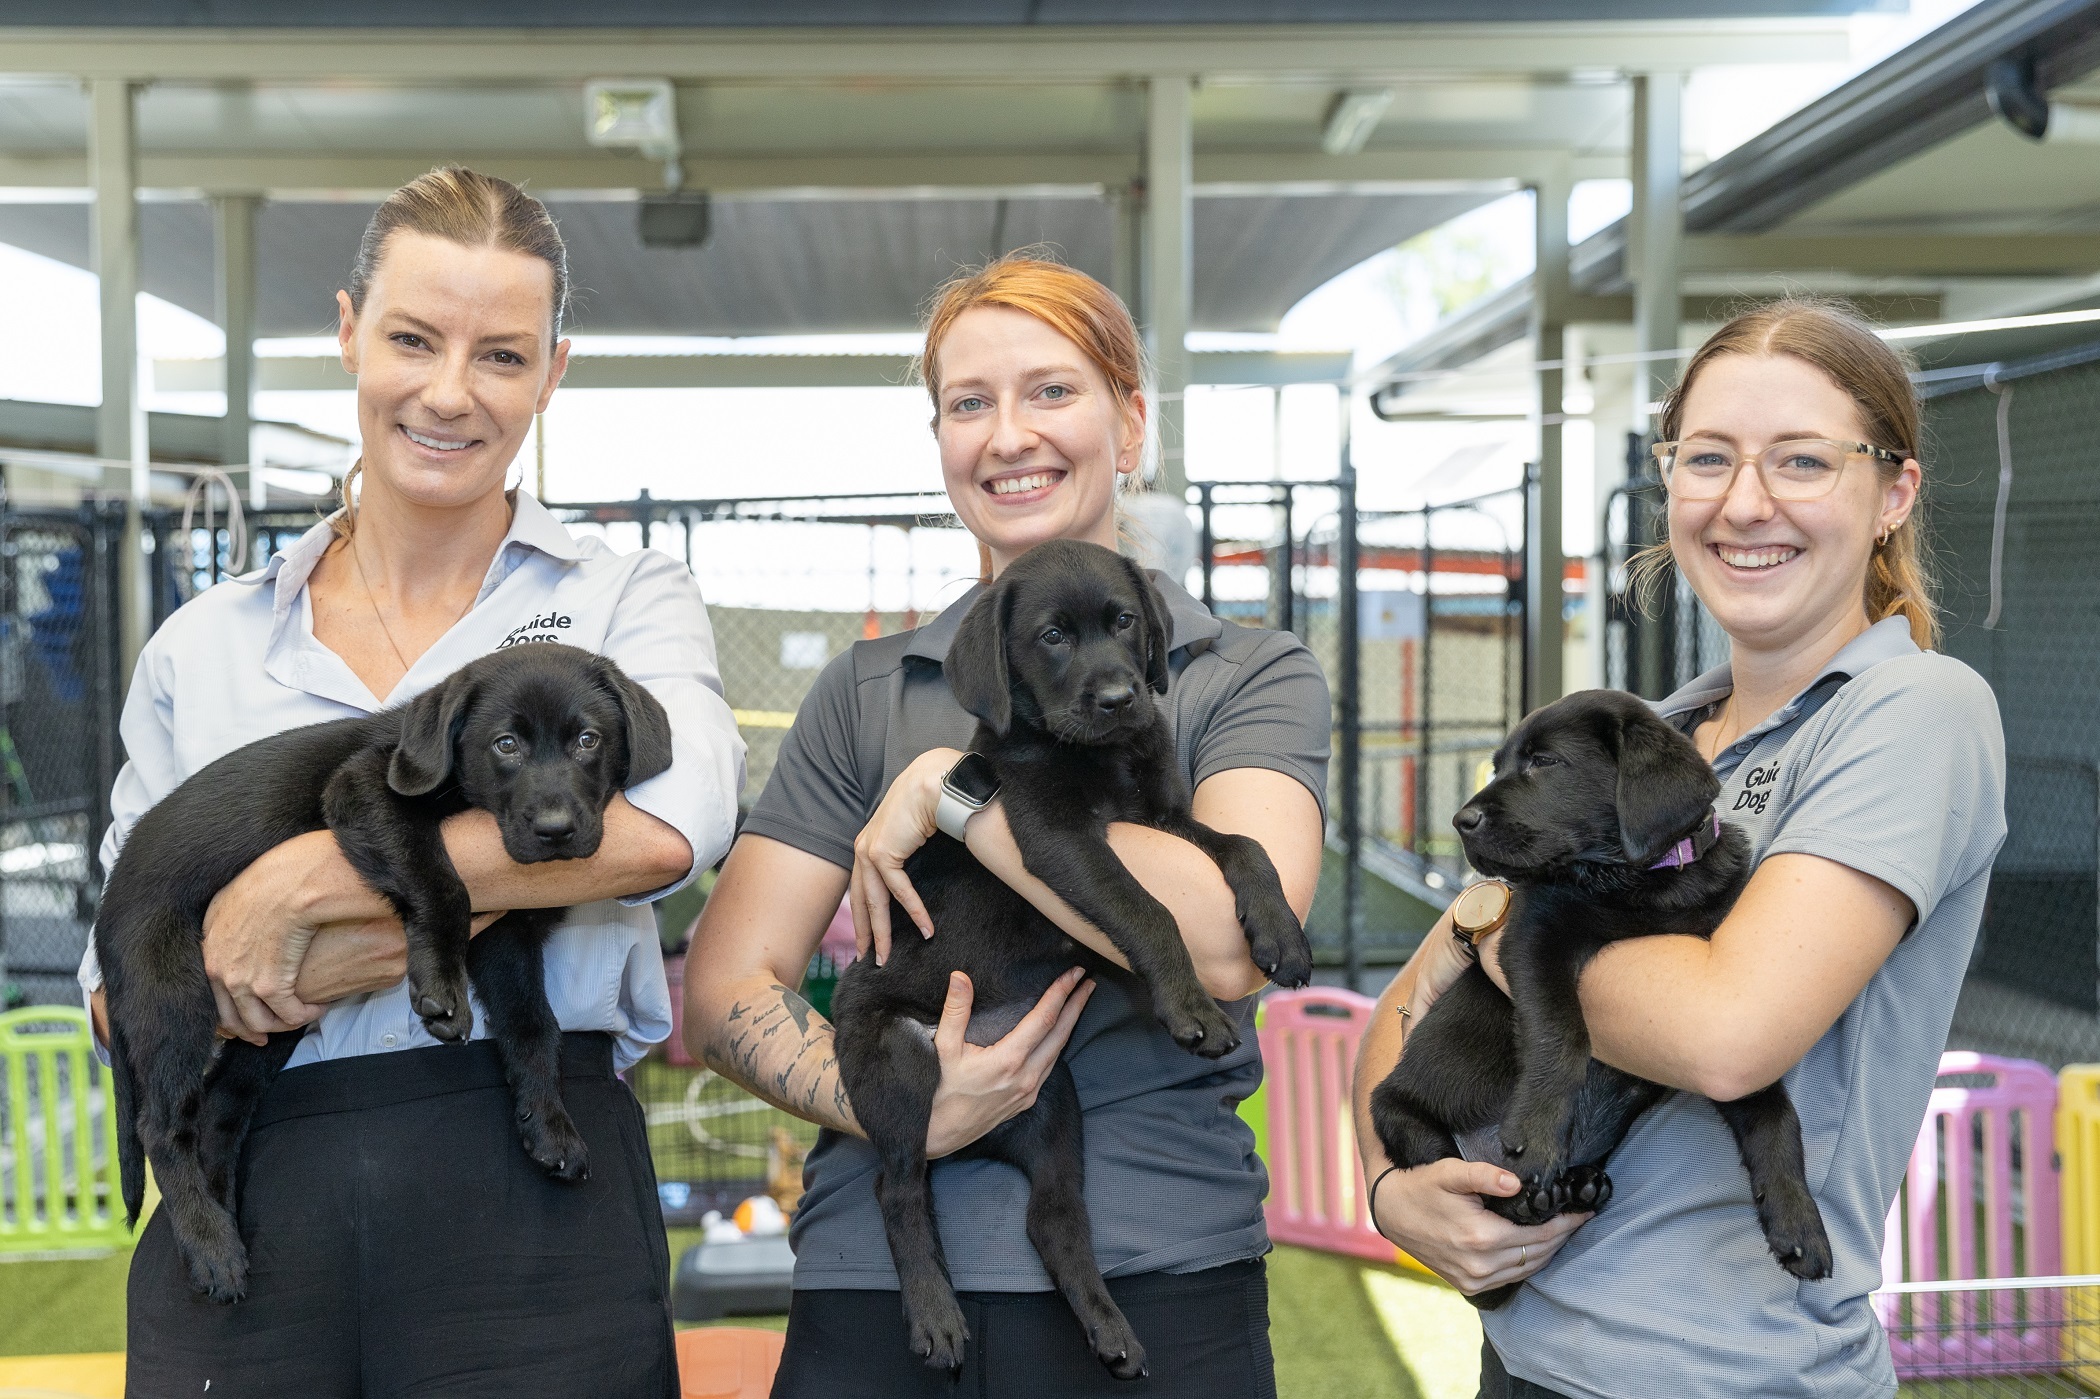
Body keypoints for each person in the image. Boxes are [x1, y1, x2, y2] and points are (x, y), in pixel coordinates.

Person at [79, 167, 745, 1399]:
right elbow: (122, 997)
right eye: (412, 339)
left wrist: (304, 890)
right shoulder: (205, 645)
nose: (450, 392)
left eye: (502, 355)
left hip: (531, 1181)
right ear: (348, 333)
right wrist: (249, 963)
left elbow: (666, 828)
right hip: (251, 1179)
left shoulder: (620, 599)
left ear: (552, 373)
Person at [685, 254, 1329, 1399]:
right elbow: (728, 983)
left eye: (1052, 391)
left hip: (1152, 1263)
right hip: (873, 1278)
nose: (1009, 434)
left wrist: (954, 792)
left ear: (1131, 424)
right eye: (969, 403)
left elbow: (1227, 947)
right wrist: (910, 1109)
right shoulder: (867, 686)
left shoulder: (1247, 673)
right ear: (940, 440)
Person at [1352, 298, 2007, 1398]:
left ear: (1894, 494)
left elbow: (1725, 1037)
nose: (1745, 502)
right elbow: (1404, 1010)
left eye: (1802, 459)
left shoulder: (1913, 709)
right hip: (1526, 1355)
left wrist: (1503, 930)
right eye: (1707, 458)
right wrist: (1390, 1189)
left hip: (1731, 1373)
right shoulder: (1648, 735)